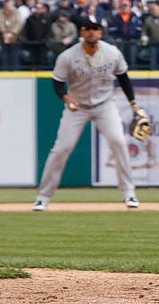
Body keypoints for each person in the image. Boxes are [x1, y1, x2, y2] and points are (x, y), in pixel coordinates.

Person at [32, 18, 142, 212]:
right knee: (62, 149)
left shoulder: (112, 53)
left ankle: (129, 193)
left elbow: (123, 78)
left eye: (95, 29)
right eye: (88, 29)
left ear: (100, 33)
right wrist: (66, 98)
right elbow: (57, 81)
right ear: (81, 33)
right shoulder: (68, 56)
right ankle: (43, 197)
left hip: (105, 104)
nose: (92, 32)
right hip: (78, 106)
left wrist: (133, 104)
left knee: (118, 142)